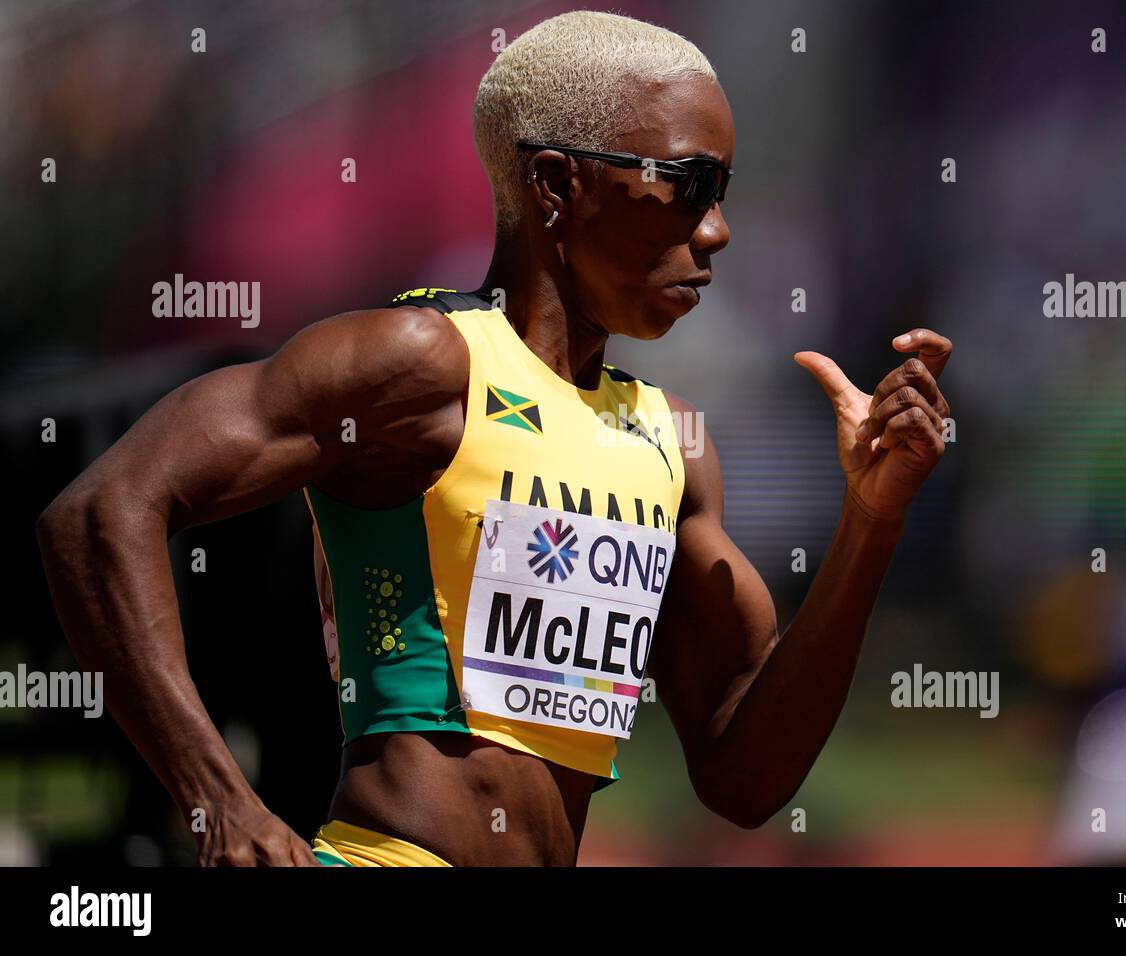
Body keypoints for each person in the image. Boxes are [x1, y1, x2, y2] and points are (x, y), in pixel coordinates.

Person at [37, 10, 952, 866]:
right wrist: (218, 802)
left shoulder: (672, 444)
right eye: (686, 185)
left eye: (724, 189)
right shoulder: (421, 362)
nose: (716, 230)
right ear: (557, 183)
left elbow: (744, 778)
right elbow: (97, 513)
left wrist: (870, 523)